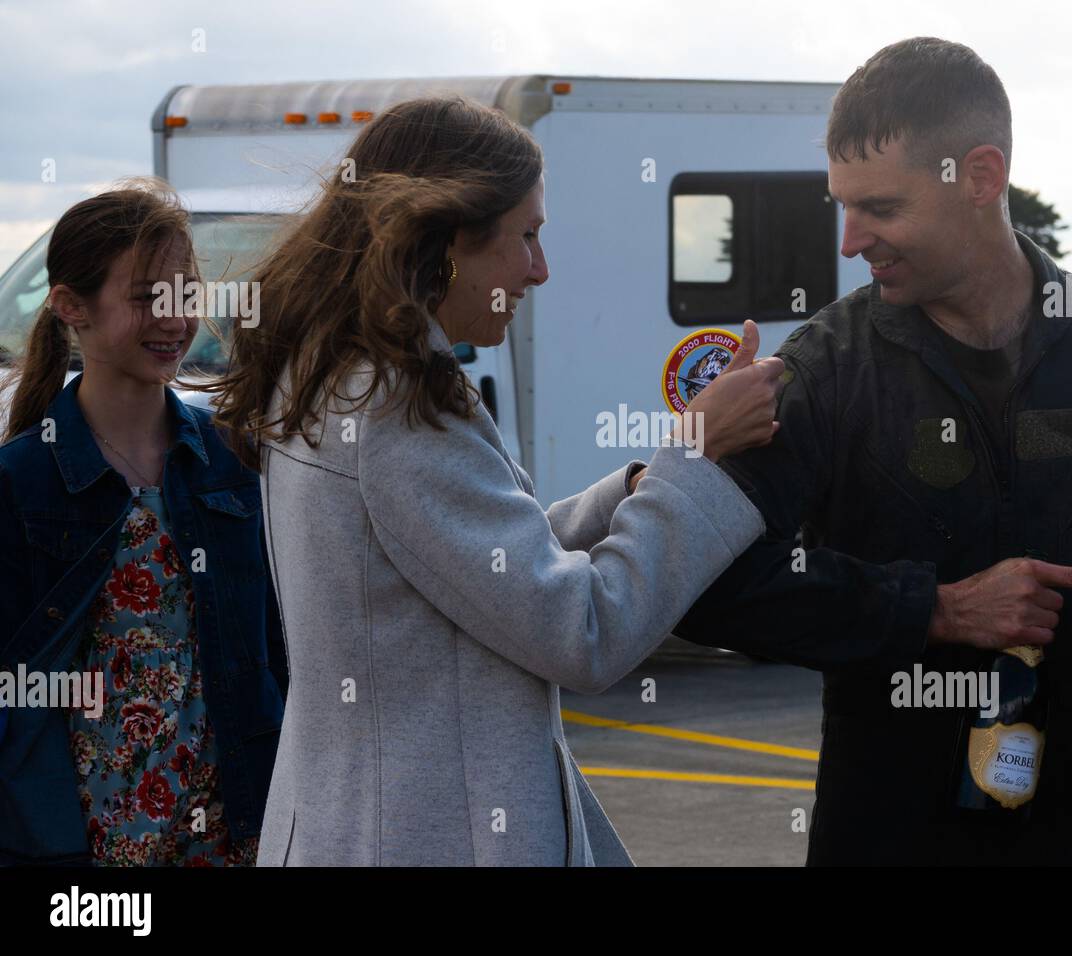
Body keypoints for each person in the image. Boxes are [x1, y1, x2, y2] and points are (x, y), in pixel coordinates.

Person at [675, 37, 1072, 865]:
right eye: (841, 206)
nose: (851, 241)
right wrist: (934, 609)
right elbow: (706, 581)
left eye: (879, 208)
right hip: (895, 834)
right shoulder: (825, 371)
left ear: (980, 178)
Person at [207, 97, 784, 866]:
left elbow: (491, 570)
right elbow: (582, 631)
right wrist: (699, 453)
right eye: (528, 236)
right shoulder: (398, 410)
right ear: (447, 244)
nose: (541, 270)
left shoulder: (334, 373)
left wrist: (644, 483)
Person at [0, 183, 287, 865]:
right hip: (82, 850)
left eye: (186, 294)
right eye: (146, 297)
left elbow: (281, 652)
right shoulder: (21, 482)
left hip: (236, 834)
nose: (175, 318)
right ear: (72, 306)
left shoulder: (234, 461)